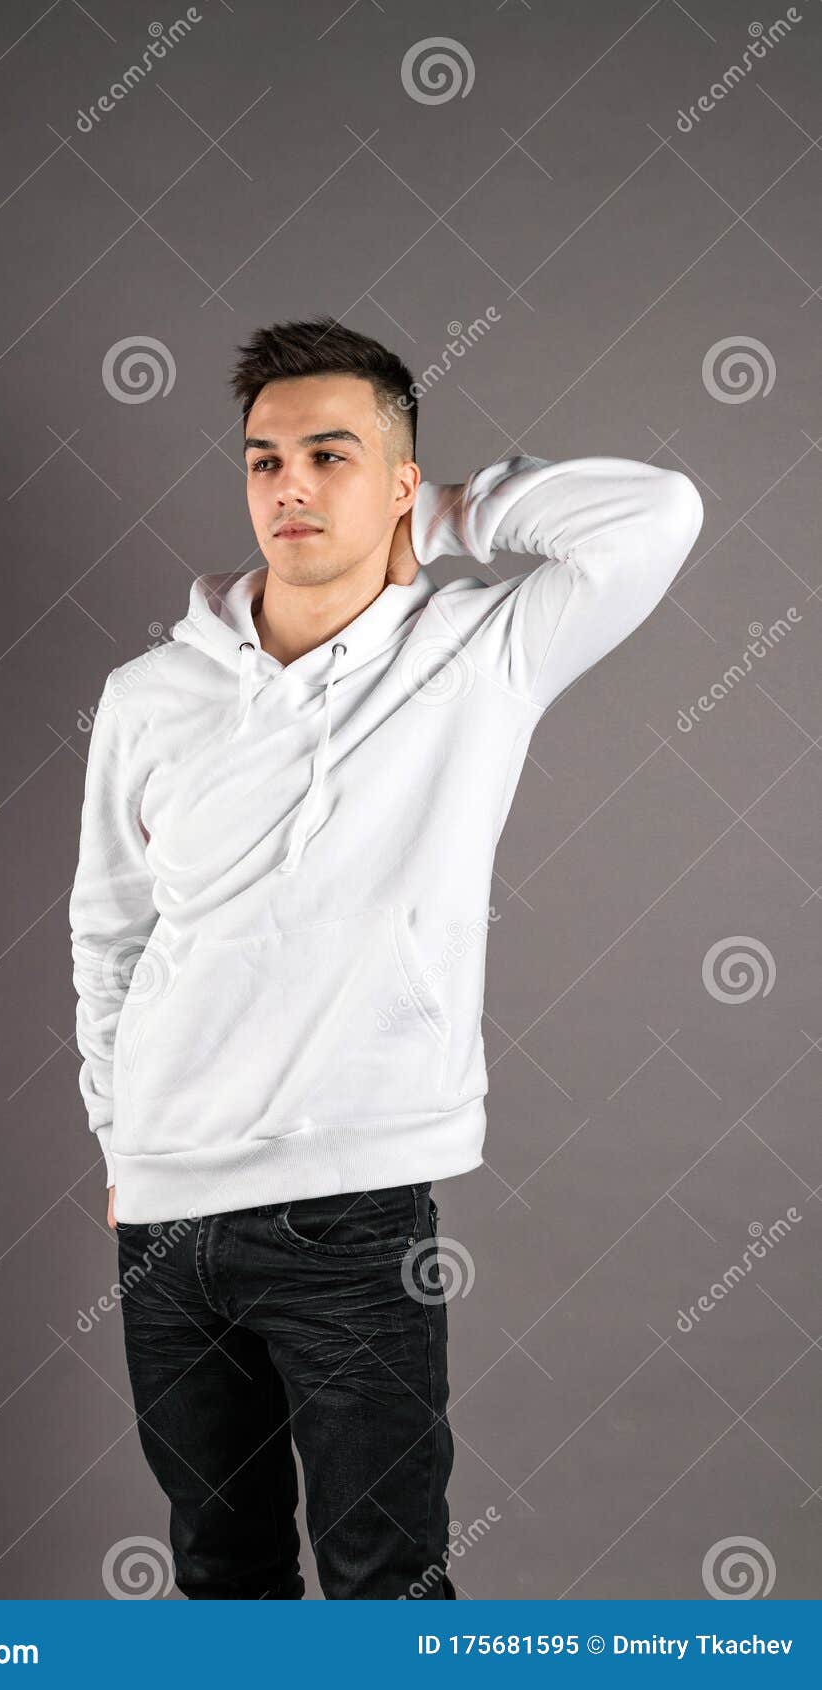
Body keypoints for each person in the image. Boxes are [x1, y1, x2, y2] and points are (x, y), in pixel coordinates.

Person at [68, 314, 704, 1599]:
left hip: (350, 1215)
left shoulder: (477, 654)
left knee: (384, 1580)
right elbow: (110, 929)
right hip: (163, 1218)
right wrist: (117, 1137)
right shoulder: (150, 696)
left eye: (329, 453)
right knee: (219, 1570)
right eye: (261, 460)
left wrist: (460, 515)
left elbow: (659, 512)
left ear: (398, 479)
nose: (289, 485)